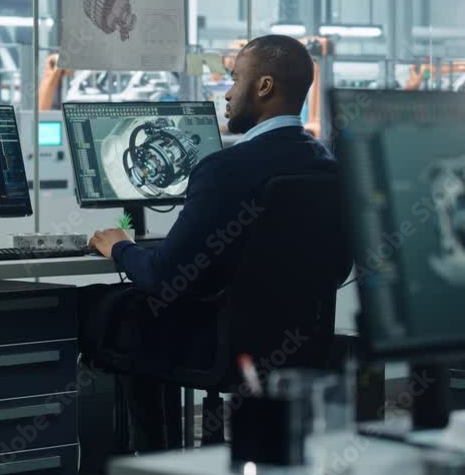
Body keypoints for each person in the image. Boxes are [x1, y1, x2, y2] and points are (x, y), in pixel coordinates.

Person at [79, 34, 338, 452]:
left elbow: (164, 277)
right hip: (300, 341)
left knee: (100, 306)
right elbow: (336, 268)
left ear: (264, 86)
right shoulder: (327, 166)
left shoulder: (225, 169)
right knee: (143, 312)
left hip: (219, 344)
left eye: (235, 79)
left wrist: (120, 247)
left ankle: (145, 457)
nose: (228, 94)